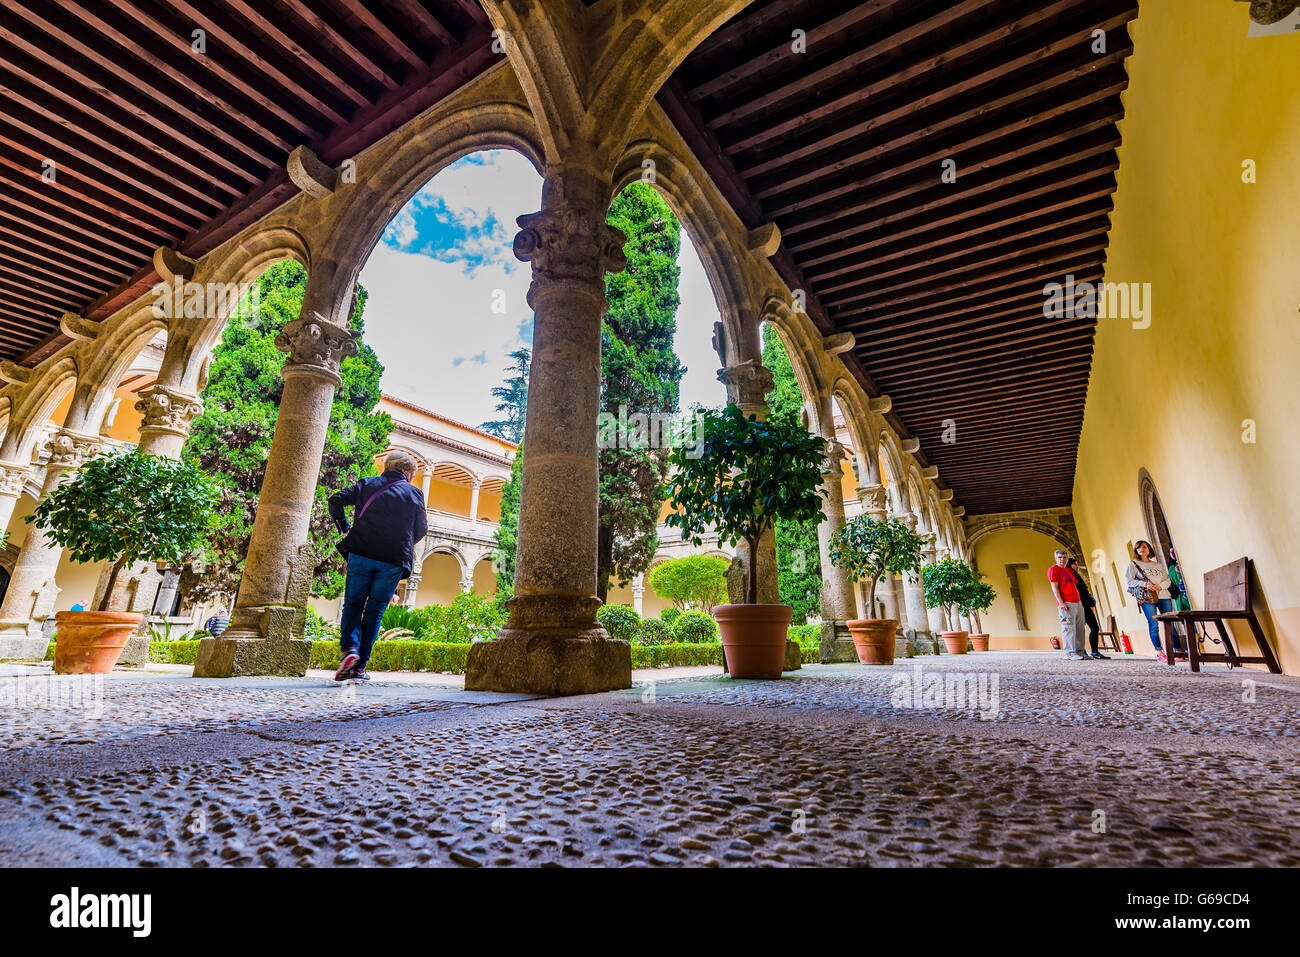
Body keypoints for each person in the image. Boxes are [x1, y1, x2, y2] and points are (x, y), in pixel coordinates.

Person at [328, 450, 428, 682]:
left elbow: (335, 500)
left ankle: (350, 651)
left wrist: (345, 528)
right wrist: (400, 541)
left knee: (353, 604)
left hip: (361, 552)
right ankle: (360, 667)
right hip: (393, 560)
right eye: (412, 473)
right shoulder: (414, 494)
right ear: (405, 471)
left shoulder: (367, 484)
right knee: (375, 611)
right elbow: (421, 529)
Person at [1126, 539, 1180, 661]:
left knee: (1170, 622)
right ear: (1136, 550)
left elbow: (1167, 579)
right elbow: (1129, 580)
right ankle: (1160, 652)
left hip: (1163, 595)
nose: (1142, 549)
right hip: (1147, 598)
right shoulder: (1133, 564)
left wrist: (1160, 586)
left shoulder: (1157, 565)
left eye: (1144, 546)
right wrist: (1146, 585)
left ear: (1149, 549)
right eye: (1139, 547)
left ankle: (1177, 651)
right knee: (1153, 624)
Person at [1047, 549, 1090, 661]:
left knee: (1080, 628)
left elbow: (1074, 586)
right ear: (1056, 558)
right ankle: (1069, 653)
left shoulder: (1069, 570)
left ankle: (1080, 653)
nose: (1062, 559)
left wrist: (1080, 601)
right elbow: (1054, 587)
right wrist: (1061, 602)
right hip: (1066, 602)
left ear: (1067, 559)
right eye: (1060, 557)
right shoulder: (1053, 569)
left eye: (1064, 557)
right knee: (1068, 628)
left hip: (1077, 602)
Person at [1065, 556, 1107, 659]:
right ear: (1070, 565)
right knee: (1083, 628)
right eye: (1075, 564)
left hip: (1085, 605)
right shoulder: (1069, 574)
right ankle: (1085, 652)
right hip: (1079, 605)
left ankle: (1092, 652)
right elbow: (1080, 591)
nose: (1077, 566)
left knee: (1092, 627)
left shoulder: (1075, 575)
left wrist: (1091, 602)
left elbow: (1084, 591)